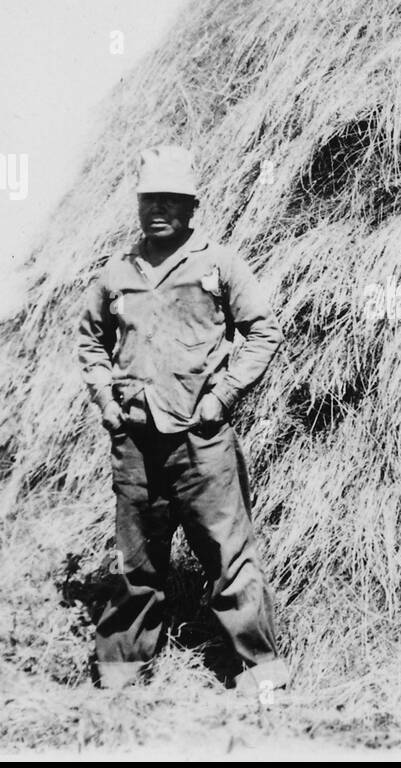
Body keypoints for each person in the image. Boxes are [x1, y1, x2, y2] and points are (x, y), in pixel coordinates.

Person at [76, 145, 289, 695]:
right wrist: (106, 402)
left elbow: (263, 330)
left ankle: (259, 671)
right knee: (135, 560)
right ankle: (121, 672)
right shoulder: (116, 275)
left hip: (201, 441)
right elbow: (90, 340)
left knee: (227, 554)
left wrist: (221, 397)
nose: (159, 210)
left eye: (171, 200)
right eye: (150, 200)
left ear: (192, 207)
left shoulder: (218, 265)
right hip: (135, 442)